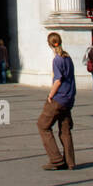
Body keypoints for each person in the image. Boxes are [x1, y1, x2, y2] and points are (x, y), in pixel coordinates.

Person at [37, 32, 76, 171]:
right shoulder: (68, 57)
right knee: (65, 129)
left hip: (58, 98)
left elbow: (58, 80)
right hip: (69, 98)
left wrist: (50, 95)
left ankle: (56, 159)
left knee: (42, 125)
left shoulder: (57, 59)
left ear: (50, 44)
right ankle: (70, 161)